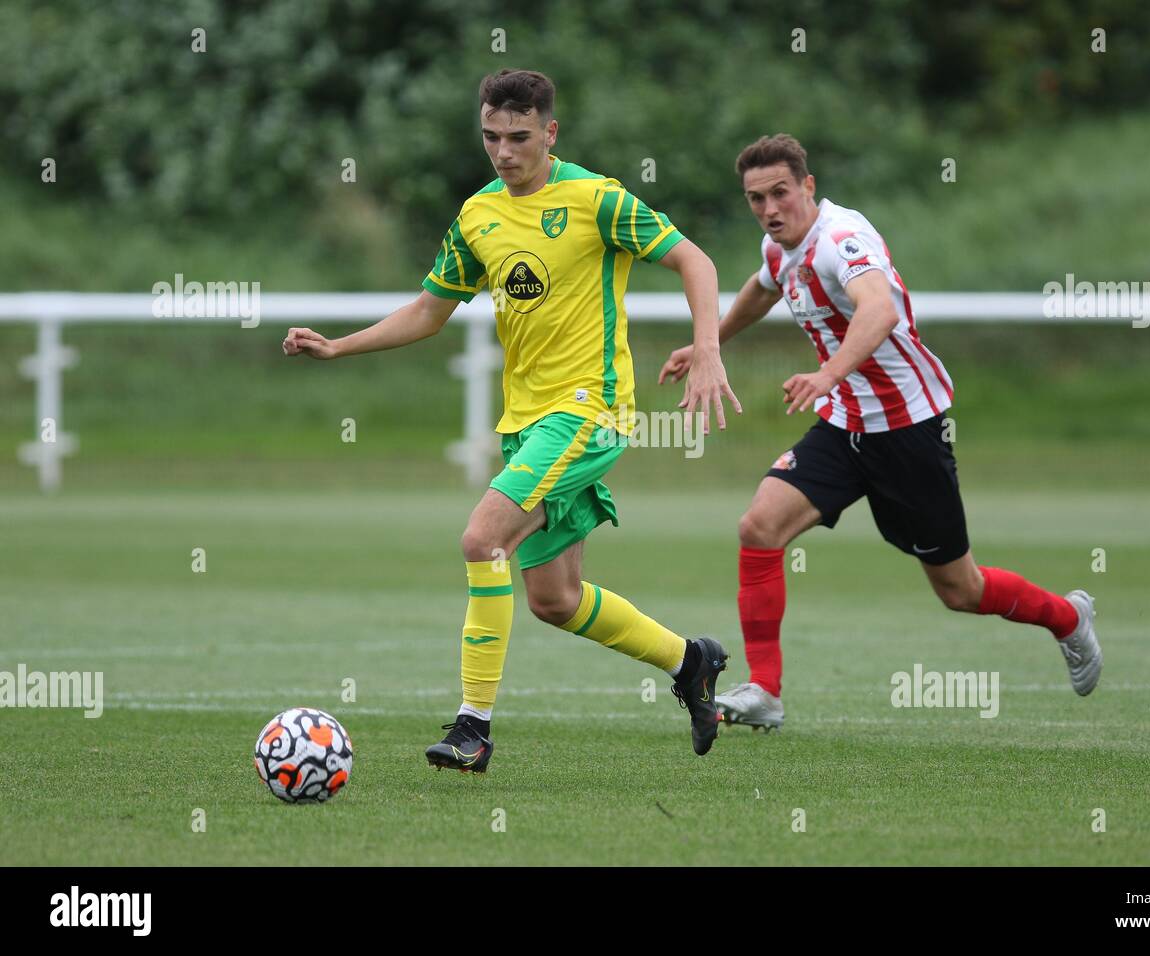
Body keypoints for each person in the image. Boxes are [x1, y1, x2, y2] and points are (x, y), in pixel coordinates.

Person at [284, 69, 741, 769]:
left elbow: (695, 261)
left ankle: (473, 729)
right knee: (554, 599)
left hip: (589, 408)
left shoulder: (596, 199)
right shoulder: (478, 215)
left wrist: (708, 346)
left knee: (481, 537)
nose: (503, 151)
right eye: (491, 136)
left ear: (549, 132)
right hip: (526, 420)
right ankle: (690, 662)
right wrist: (339, 346)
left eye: (519, 137)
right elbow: (430, 310)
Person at [659, 134, 1101, 731]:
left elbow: (879, 310)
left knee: (959, 589)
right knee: (759, 526)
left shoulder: (843, 240)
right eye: (755, 198)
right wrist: (707, 342)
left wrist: (828, 372)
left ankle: (1068, 619)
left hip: (908, 430)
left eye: (780, 193)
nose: (769, 209)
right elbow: (761, 290)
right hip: (845, 425)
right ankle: (765, 688)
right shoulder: (777, 247)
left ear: (808, 187)